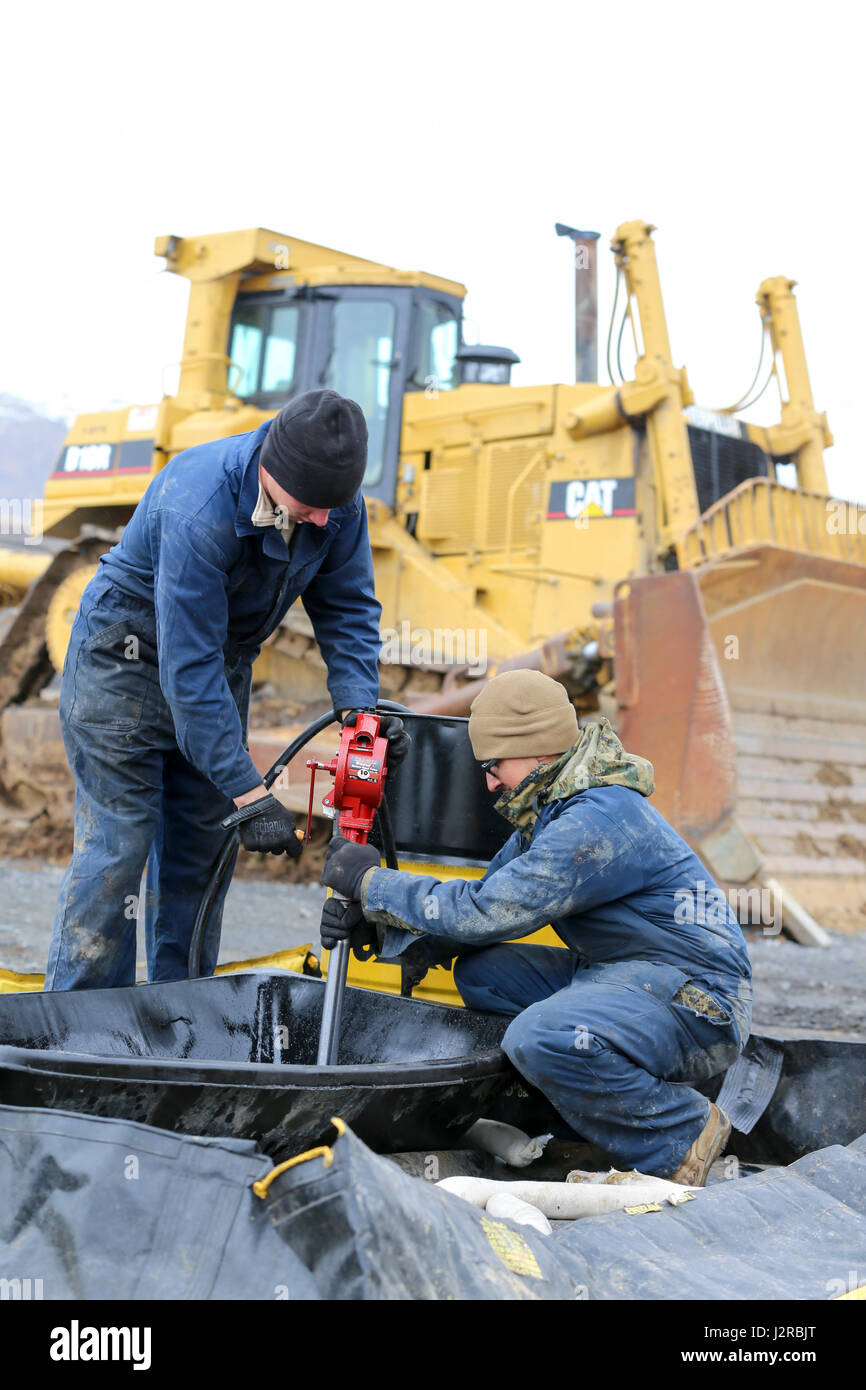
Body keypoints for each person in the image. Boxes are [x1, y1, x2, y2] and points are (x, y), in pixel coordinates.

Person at [320, 668, 753, 1185]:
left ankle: (681, 1135)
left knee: (541, 1035)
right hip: (630, 975)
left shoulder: (598, 819)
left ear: (538, 750)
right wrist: (389, 935)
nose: (488, 780)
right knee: (485, 974)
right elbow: (486, 906)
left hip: (700, 1004)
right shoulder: (553, 811)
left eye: (493, 764)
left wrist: (373, 884)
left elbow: (485, 911)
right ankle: (579, 1117)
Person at [46, 388, 406, 990]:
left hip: (219, 662)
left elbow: (345, 607)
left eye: (333, 507)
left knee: (200, 854)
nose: (323, 521)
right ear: (272, 469)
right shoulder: (199, 505)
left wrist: (358, 709)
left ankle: (178, 1016)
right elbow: (188, 670)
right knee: (120, 846)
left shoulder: (333, 504)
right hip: (124, 660)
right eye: (311, 506)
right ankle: (77, 1028)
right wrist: (248, 793)